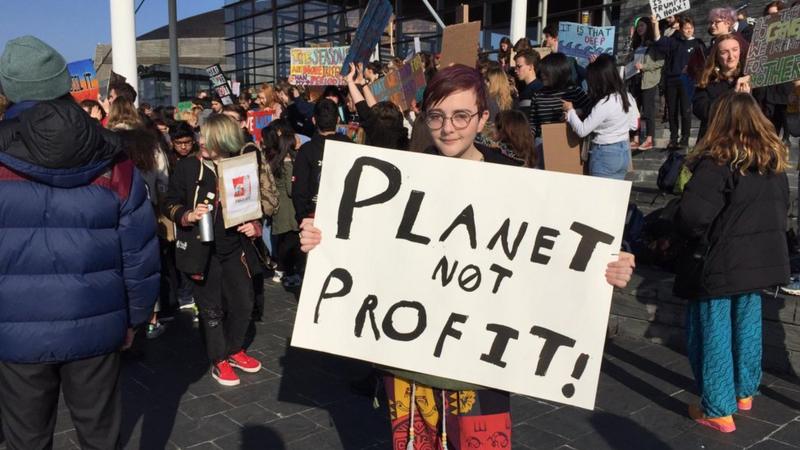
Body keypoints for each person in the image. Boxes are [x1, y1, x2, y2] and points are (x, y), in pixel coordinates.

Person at [298, 64, 636, 450]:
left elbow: (548, 259)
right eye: (437, 115)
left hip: (480, 369)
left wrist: (606, 268)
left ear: (483, 119)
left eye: (462, 115)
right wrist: (320, 240)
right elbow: (365, 251)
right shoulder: (403, 176)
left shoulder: (513, 178)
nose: (448, 127)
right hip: (409, 363)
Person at [0, 35, 159, 448]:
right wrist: (135, 318)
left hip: (14, 328)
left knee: (26, 440)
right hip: (97, 319)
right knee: (100, 437)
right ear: (61, 84)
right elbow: (140, 248)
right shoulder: (113, 155)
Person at [673, 92, 789, 433]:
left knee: (713, 333)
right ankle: (743, 393)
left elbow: (692, 217)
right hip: (760, 261)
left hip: (720, 261)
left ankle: (718, 409)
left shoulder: (719, 162)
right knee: (747, 327)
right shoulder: (773, 163)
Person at [162, 114, 264, 387]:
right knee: (212, 309)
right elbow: (169, 203)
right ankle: (219, 358)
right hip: (201, 250)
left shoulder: (240, 166)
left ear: (224, 139)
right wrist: (187, 215)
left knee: (244, 302)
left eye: (207, 136)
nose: (201, 140)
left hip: (234, 247)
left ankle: (234, 349)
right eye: (202, 135)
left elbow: (256, 205)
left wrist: (254, 225)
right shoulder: (187, 167)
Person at [564, 54, 640, 180]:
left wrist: (570, 111)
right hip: (623, 151)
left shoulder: (605, 103)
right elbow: (634, 124)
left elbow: (582, 130)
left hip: (605, 153)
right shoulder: (626, 96)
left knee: (600, 196)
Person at [292, 98, 352, 222]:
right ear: (338, 120)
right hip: (346, 216)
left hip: (316, 219)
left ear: (314, 120)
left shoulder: (306, 150)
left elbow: (299, 191)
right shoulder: (351, 146)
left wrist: (303, 219)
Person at [655, 16, 706, 149]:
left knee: (685, 110)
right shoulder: (674, 41)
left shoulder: (698, 43)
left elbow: (704, 62)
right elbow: (658, 41)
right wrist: (655, 24)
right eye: (686, 28)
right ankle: (673, 137)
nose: (689, 30)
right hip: (672, 79)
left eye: (691, 28)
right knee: (672, 110)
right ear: (680, 29)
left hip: (688, 80)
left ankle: (685, 138)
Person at [265, 121, 304, 288]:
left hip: (280, 209)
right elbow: (290, 189)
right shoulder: (288, 163)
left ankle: (282, 270)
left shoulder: (277, 161)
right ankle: (286, 271)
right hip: (289, 210)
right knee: (291, 243)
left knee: (283, 241)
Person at [693, 34, 751, 140]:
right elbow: (702, 111)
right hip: (715, 142)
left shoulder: (749, 77)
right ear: (716, 56)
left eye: (735, 50)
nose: (731, 56)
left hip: (746, 141)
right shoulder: (706, 79)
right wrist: (733, 94)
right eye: (724, 52)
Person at [627, 16, 663, 150]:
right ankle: (635, 138)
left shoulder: (654, 44)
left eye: (642, 25)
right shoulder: (637, 45)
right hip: (635, 80)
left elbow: (660, 62)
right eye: (638, 26)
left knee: (648, 111)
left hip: (648, 81)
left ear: (648, 27)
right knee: (635, 111)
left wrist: (644, 66)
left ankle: (649, 139)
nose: (639, 28)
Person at [514, 49, 543, 128]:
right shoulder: (524, 89)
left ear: (530, 67)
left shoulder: (539, 89)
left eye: (519, 66)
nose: (515, 70)